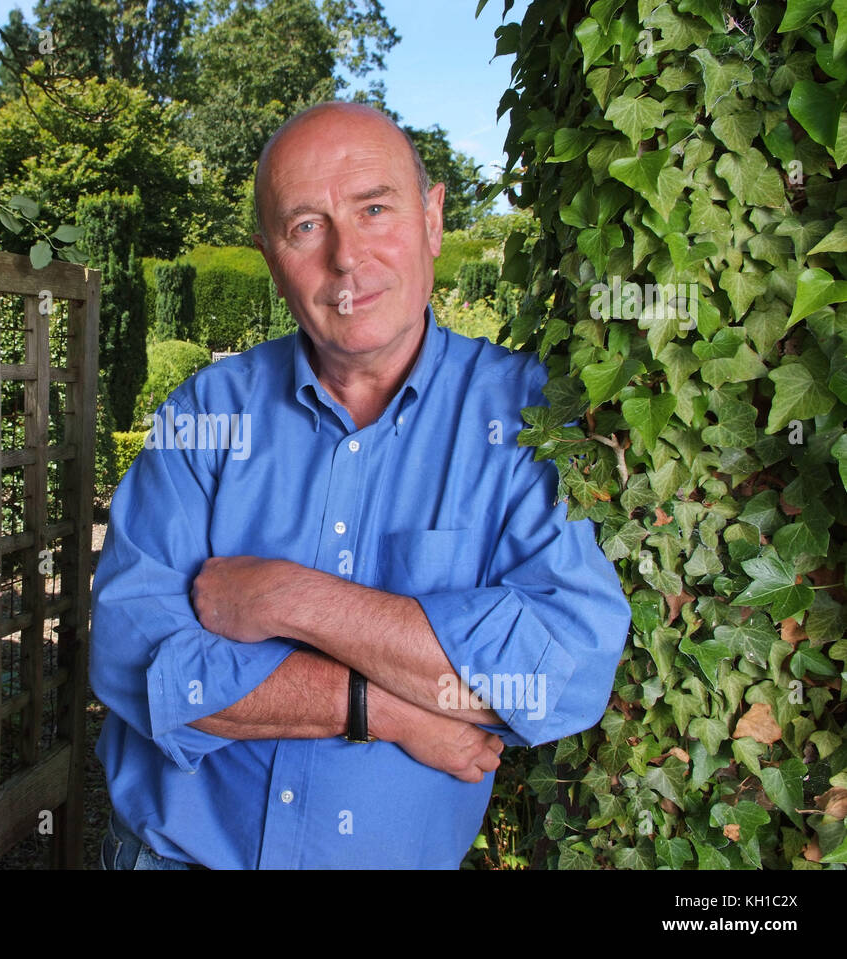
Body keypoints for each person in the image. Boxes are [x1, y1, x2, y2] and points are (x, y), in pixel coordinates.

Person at [89, 101, 630, 869]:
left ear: (434, 217)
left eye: (375, 208)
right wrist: (382, 707)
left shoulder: (526, 419)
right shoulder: (206, 414)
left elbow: (560, 673)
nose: (347, 257)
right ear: (272, 257)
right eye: (306, 225)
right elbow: (134, 657)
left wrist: (288, 599)